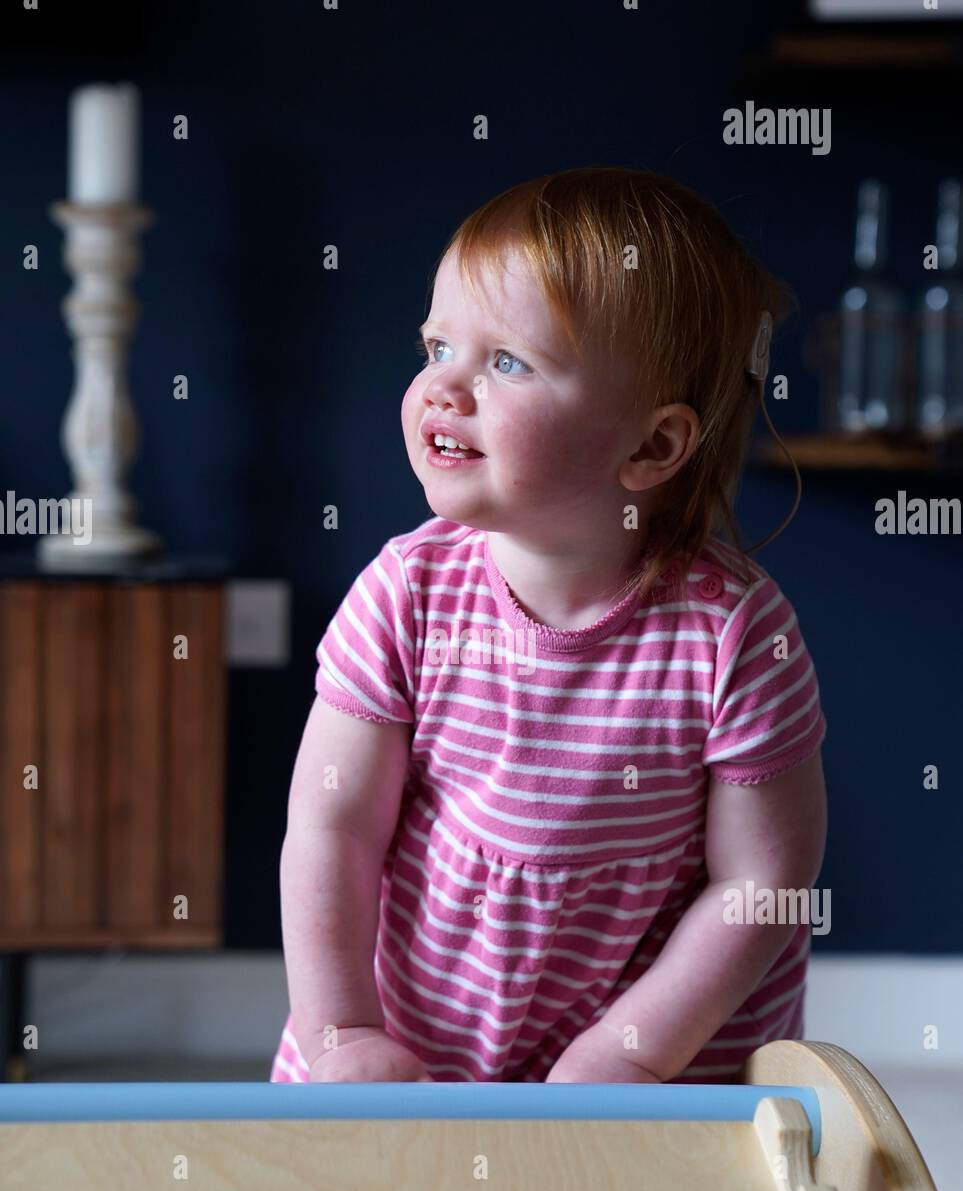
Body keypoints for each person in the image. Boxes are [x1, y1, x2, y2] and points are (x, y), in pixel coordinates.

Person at [271, 166, 827, 1085]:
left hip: (653, 1061)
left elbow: (758, 887)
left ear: (651, 446)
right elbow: (332, 827)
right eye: (436, 345)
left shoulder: (734, 633)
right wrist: (340, 1034)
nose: (444, 389)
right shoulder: (405, 594)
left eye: (506, 362)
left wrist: (625, 1058)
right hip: (411, 1046)